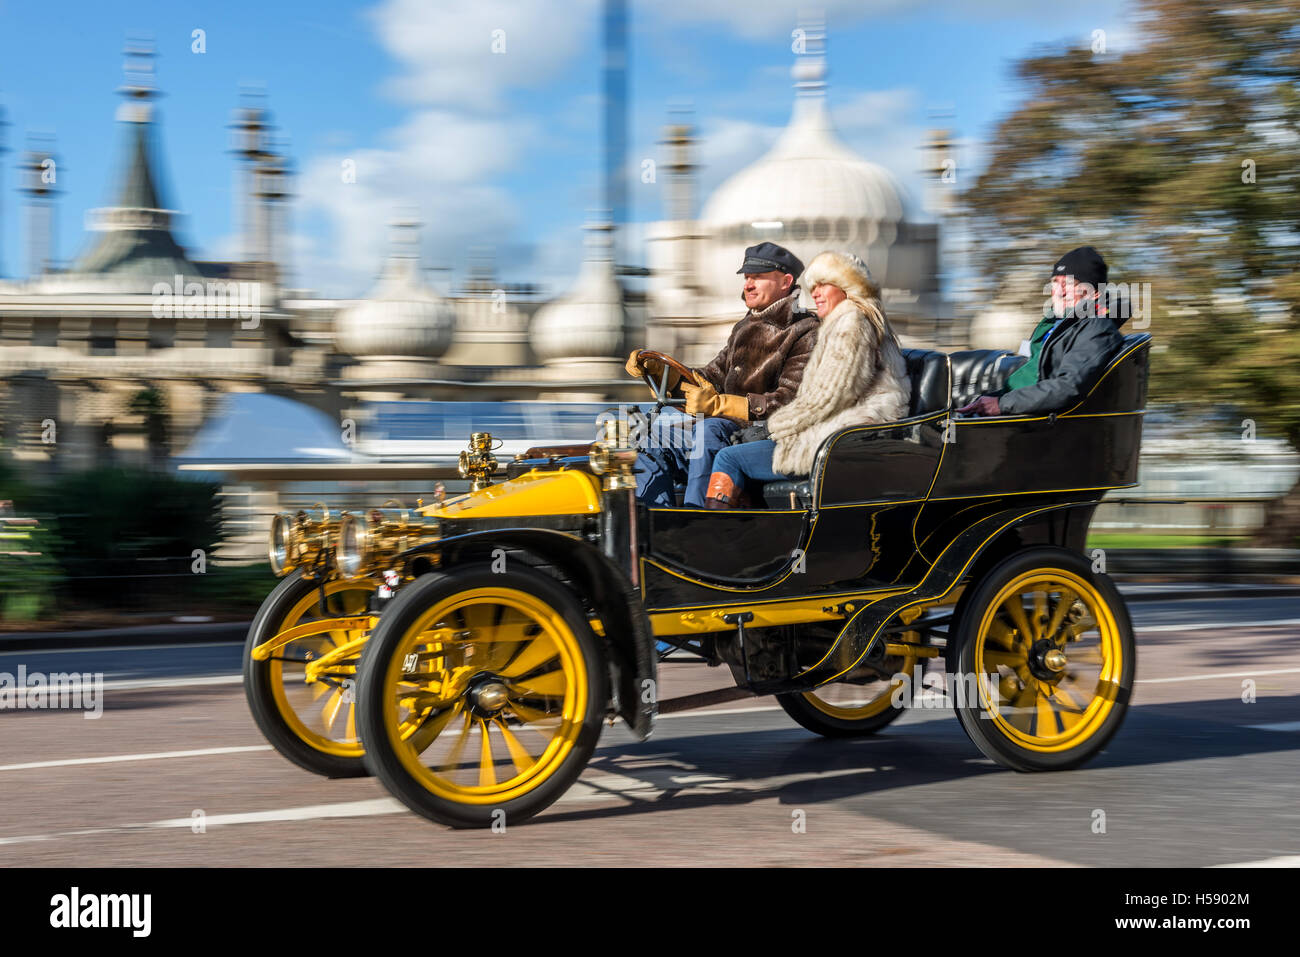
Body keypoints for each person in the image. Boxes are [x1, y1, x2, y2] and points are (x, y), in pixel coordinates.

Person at [704, 251, 910, 508]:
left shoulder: (851, 324)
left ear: (847, 287)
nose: (815, 293)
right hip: (836, 433)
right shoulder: (845, 324)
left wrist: (770, 429)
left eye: (824, 284)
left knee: (728, 458)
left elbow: (827, 399)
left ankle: (714, 530)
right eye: (813, 286)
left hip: (847, 439)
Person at [625, 241, 819, 507]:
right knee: (652, 437)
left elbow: (790, 400)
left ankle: (698, 520)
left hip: (765, 435)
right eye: (747, 277)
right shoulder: (744, 327)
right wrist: (664, 375)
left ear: (786, 282)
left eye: (758, 278)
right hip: (725, 429)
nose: (748, 285)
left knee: (709, 428)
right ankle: (653, 522)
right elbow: (711, 378)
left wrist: (722, 405)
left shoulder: (805, 331)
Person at [958, 246, 1124, 417]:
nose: (1059, 291)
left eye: (1068, 284)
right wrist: (989, 400)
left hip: (1037, 423)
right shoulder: (1053, 324)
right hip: (1017, 407)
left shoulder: (1096, 328)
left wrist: (1001, 404)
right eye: (1055, 282)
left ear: (1094, 293)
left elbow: (1067, 387)